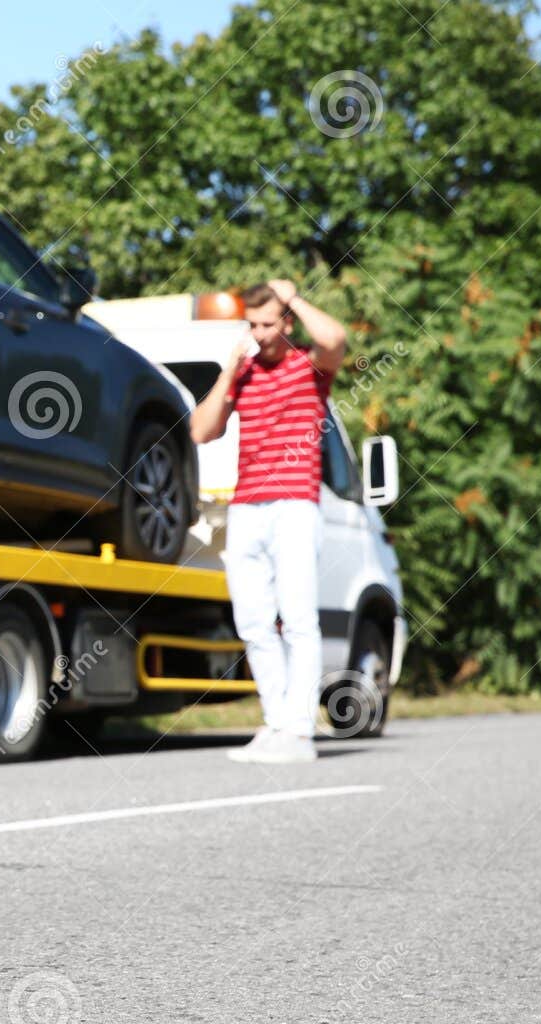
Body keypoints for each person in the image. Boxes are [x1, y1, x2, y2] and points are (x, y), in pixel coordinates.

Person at [190, 279, 348, 763]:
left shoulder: (309, 364)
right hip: (246, 506)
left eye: (267, 324)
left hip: (295, 504)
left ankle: (299, 732)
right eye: (252, 325)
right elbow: (200, 430)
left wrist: (293, 296)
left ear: (287, 322)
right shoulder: (245, 371)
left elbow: (336, 338)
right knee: (253, 621)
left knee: (297, 619)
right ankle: (276, 722)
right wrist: (228, 371)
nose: (259, 334)